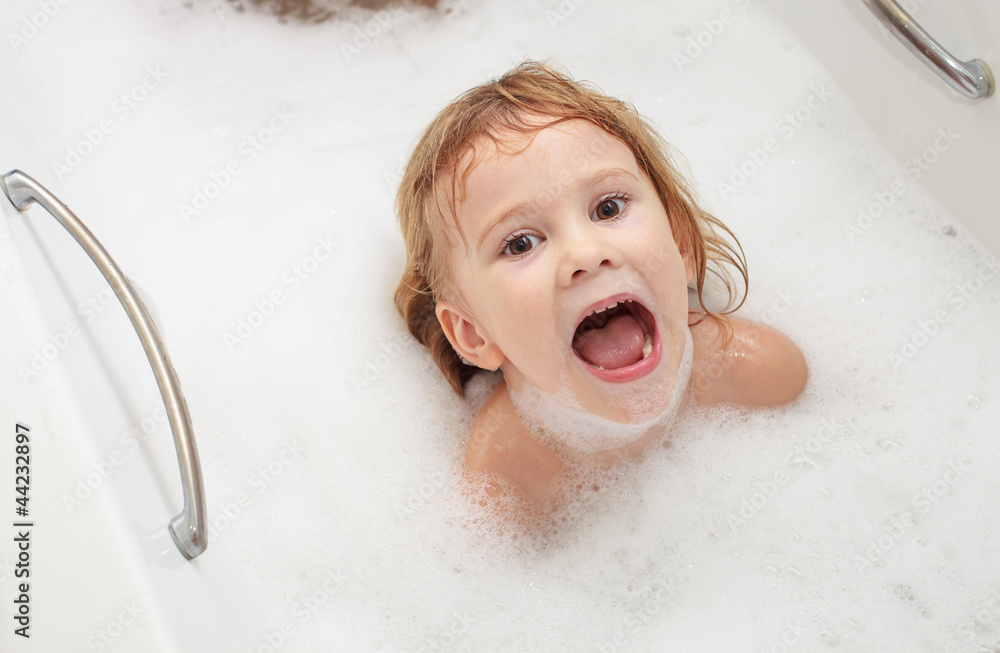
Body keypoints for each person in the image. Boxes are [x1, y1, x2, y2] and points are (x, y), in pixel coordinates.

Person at [394, 61, 807, 510]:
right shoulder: (507, 480)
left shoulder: (753, 370)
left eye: (608, 208)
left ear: (681, 242)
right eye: (520, 243)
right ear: (474, 333)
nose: (586, 254)